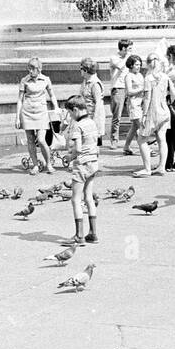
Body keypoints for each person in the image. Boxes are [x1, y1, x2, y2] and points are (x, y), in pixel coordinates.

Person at [62, 96, 101, 244]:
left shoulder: (77, 126)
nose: (70, 116)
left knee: (75, 200)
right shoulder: (92, 122)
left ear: (76, 110)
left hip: (82, 164)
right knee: (89, 198)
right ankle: (93, 233)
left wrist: (69, 157)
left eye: (70, 113)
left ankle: (79, 236)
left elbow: (78, 149)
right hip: (93, 163)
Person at [15, 57, 57, 174]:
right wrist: (17, 117)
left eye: (33, 68)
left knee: (42, 139)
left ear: (39, 69)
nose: (30, 71)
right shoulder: (24, 80)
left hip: (41, 112)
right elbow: (19, 100)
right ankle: (35, 165)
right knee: (30, 140)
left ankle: (48, 163)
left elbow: (52, 95)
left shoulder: (45, 80)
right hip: (27, 112)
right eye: (29, 68)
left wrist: (56, 107)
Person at [107, 39, 133, 149]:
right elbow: (122, 66)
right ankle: (114, 139)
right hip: (118, 88)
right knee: (117, 115)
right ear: (123, 48)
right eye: (129, 48)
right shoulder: (114, 58)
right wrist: (128, 56)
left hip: (129, 87)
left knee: (135, 114)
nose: (131, 50)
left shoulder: (129, 57)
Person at [78, 57, 106, 153]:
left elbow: (98, 103)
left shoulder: (95, 83)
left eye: (80, 69)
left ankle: (92, 164)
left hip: (93, 116)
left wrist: (94, 121)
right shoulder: (86, 81)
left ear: (85, 70)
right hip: (85, 116)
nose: (80, 71)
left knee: (93, 143)